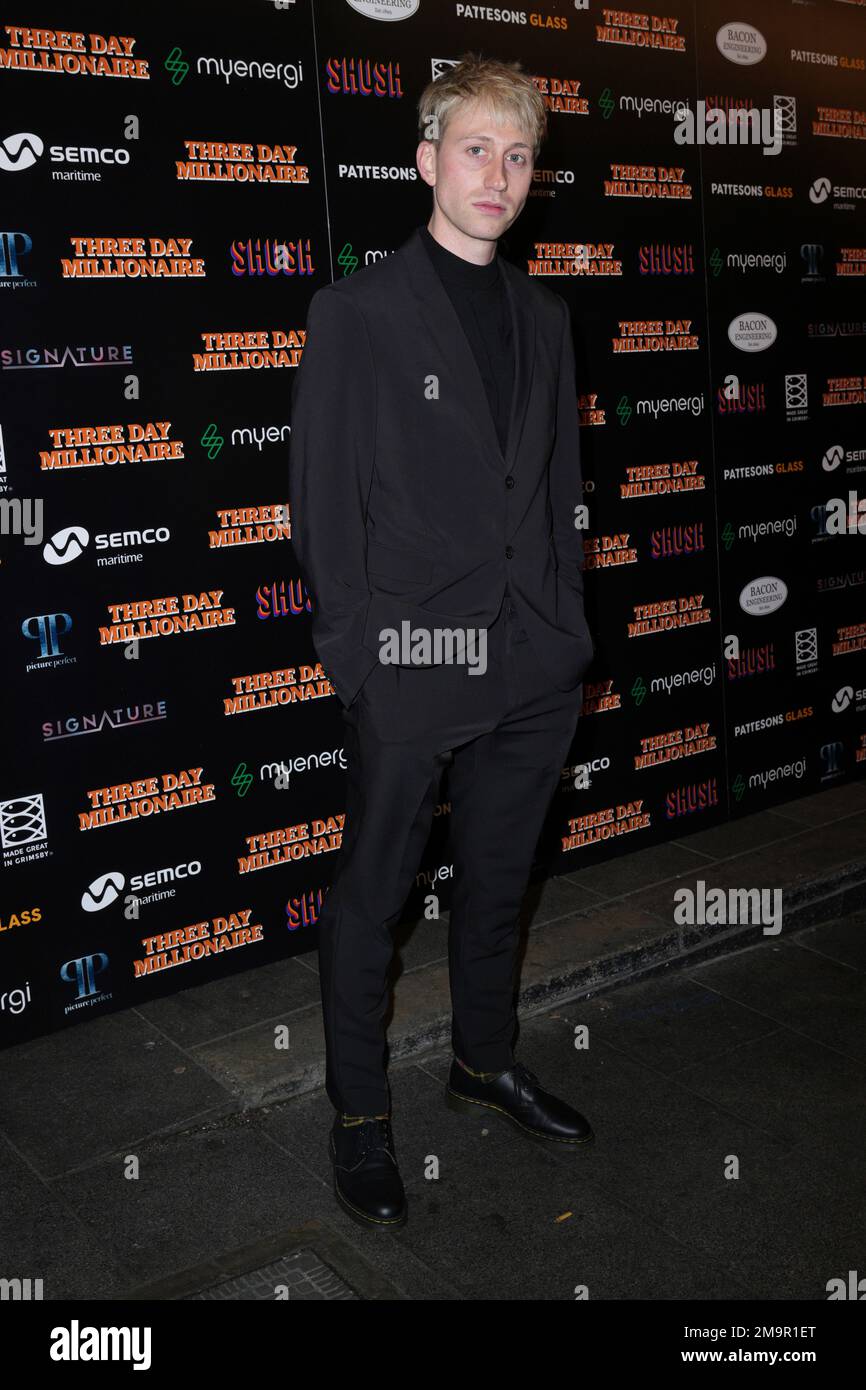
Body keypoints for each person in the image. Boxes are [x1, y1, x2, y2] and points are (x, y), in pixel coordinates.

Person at [288, 52, 595, 1231]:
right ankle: (360, 1118)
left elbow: (554, 483)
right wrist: (361, 661)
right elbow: (322, 507)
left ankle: (481, 1060)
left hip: (530, 659)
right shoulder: (356, 312)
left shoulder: (545, 315)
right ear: (426, 160)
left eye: (517, 156)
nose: (498, 174)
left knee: (500, 882)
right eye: (476, 148)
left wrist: (563, 628)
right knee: (374, 897)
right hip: (412, 664)